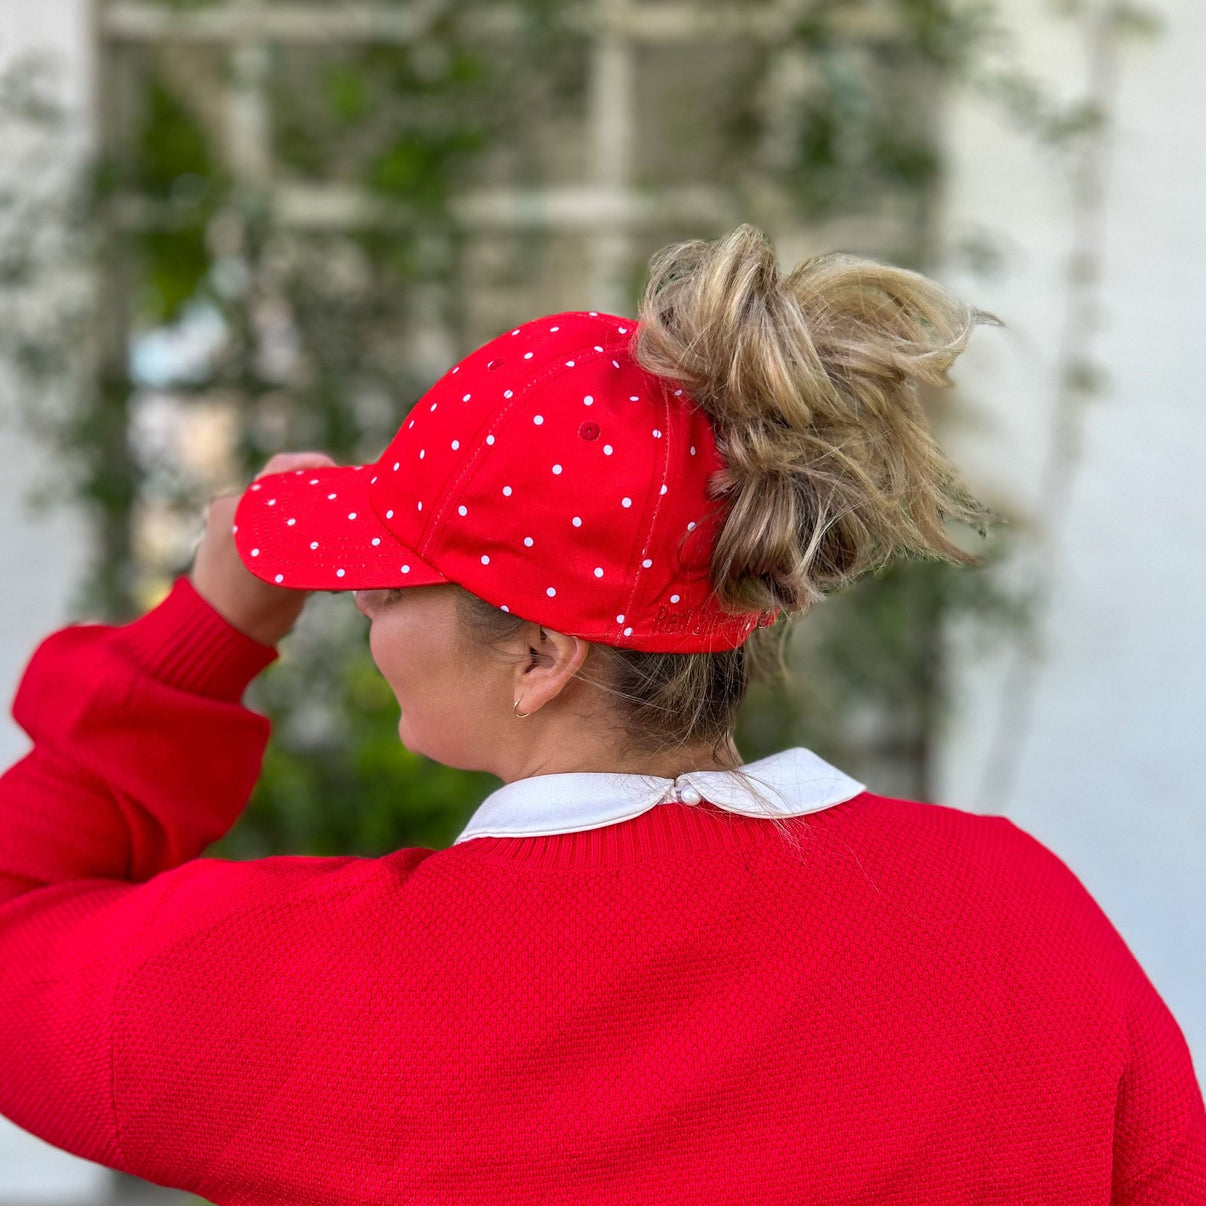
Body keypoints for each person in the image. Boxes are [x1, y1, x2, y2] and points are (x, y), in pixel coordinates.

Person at [0, 224, 1202, 1204]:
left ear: (539, 655)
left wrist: (215, 627)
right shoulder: (1010, 909)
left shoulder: (337, 995)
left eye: (388, 581)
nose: (360, 606)